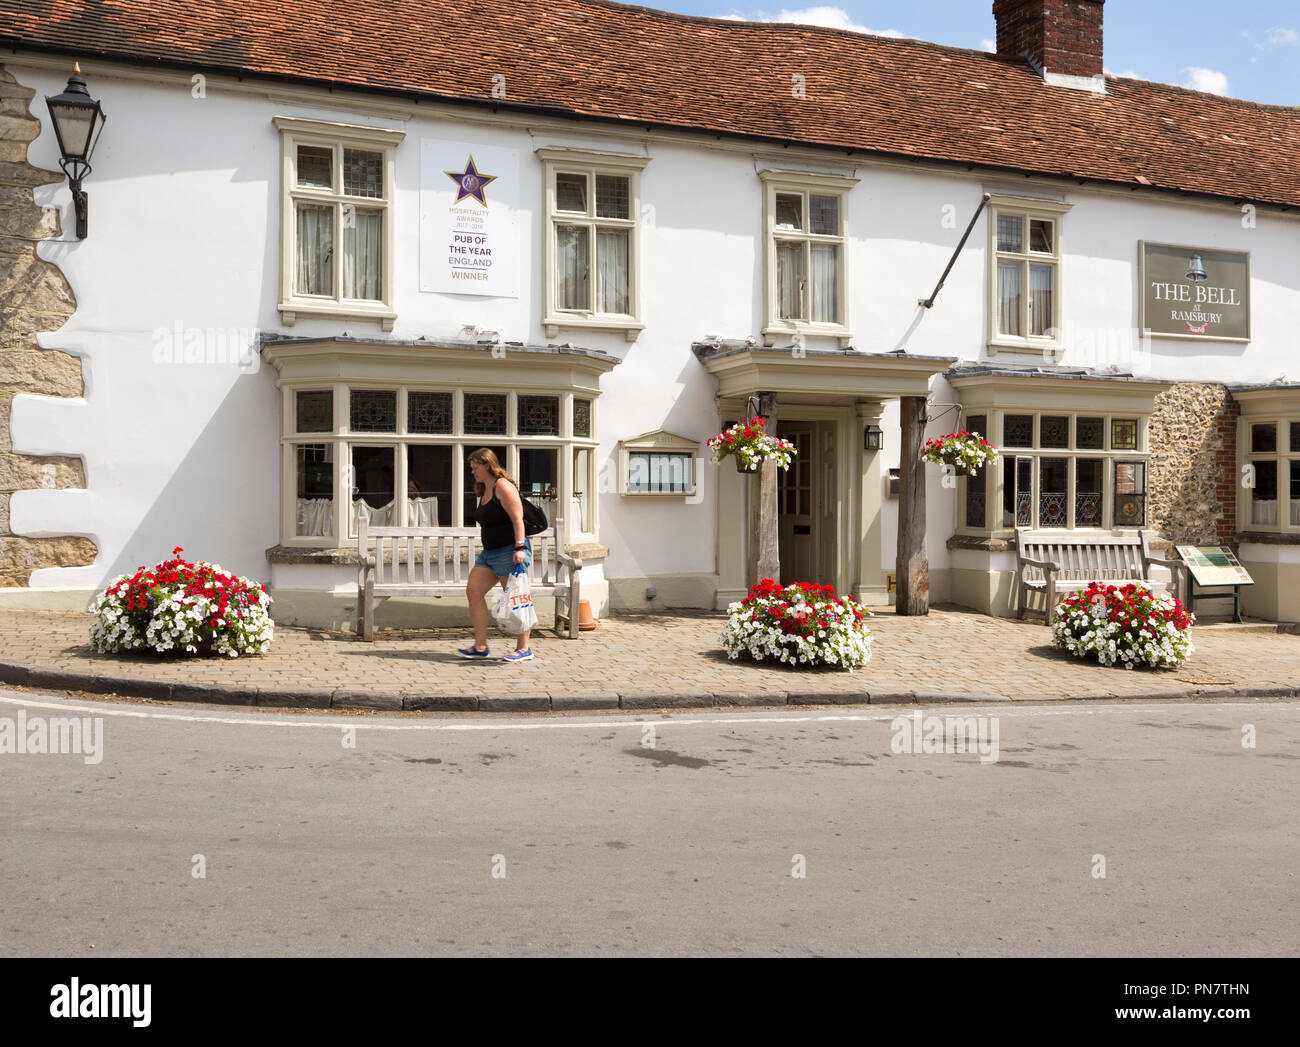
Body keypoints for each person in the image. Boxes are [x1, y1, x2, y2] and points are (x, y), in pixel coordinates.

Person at [459, 448, 533, 661]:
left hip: (509, 551)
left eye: (475, 467)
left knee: (516, 599)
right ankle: (480, 646)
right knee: (473, 592)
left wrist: (520, 548)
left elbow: (518, 519)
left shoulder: (502, 486)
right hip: (489, 554)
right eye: (471, 467)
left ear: (487, 465)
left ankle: (524, 648)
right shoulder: (484, 488)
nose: (472, 471)